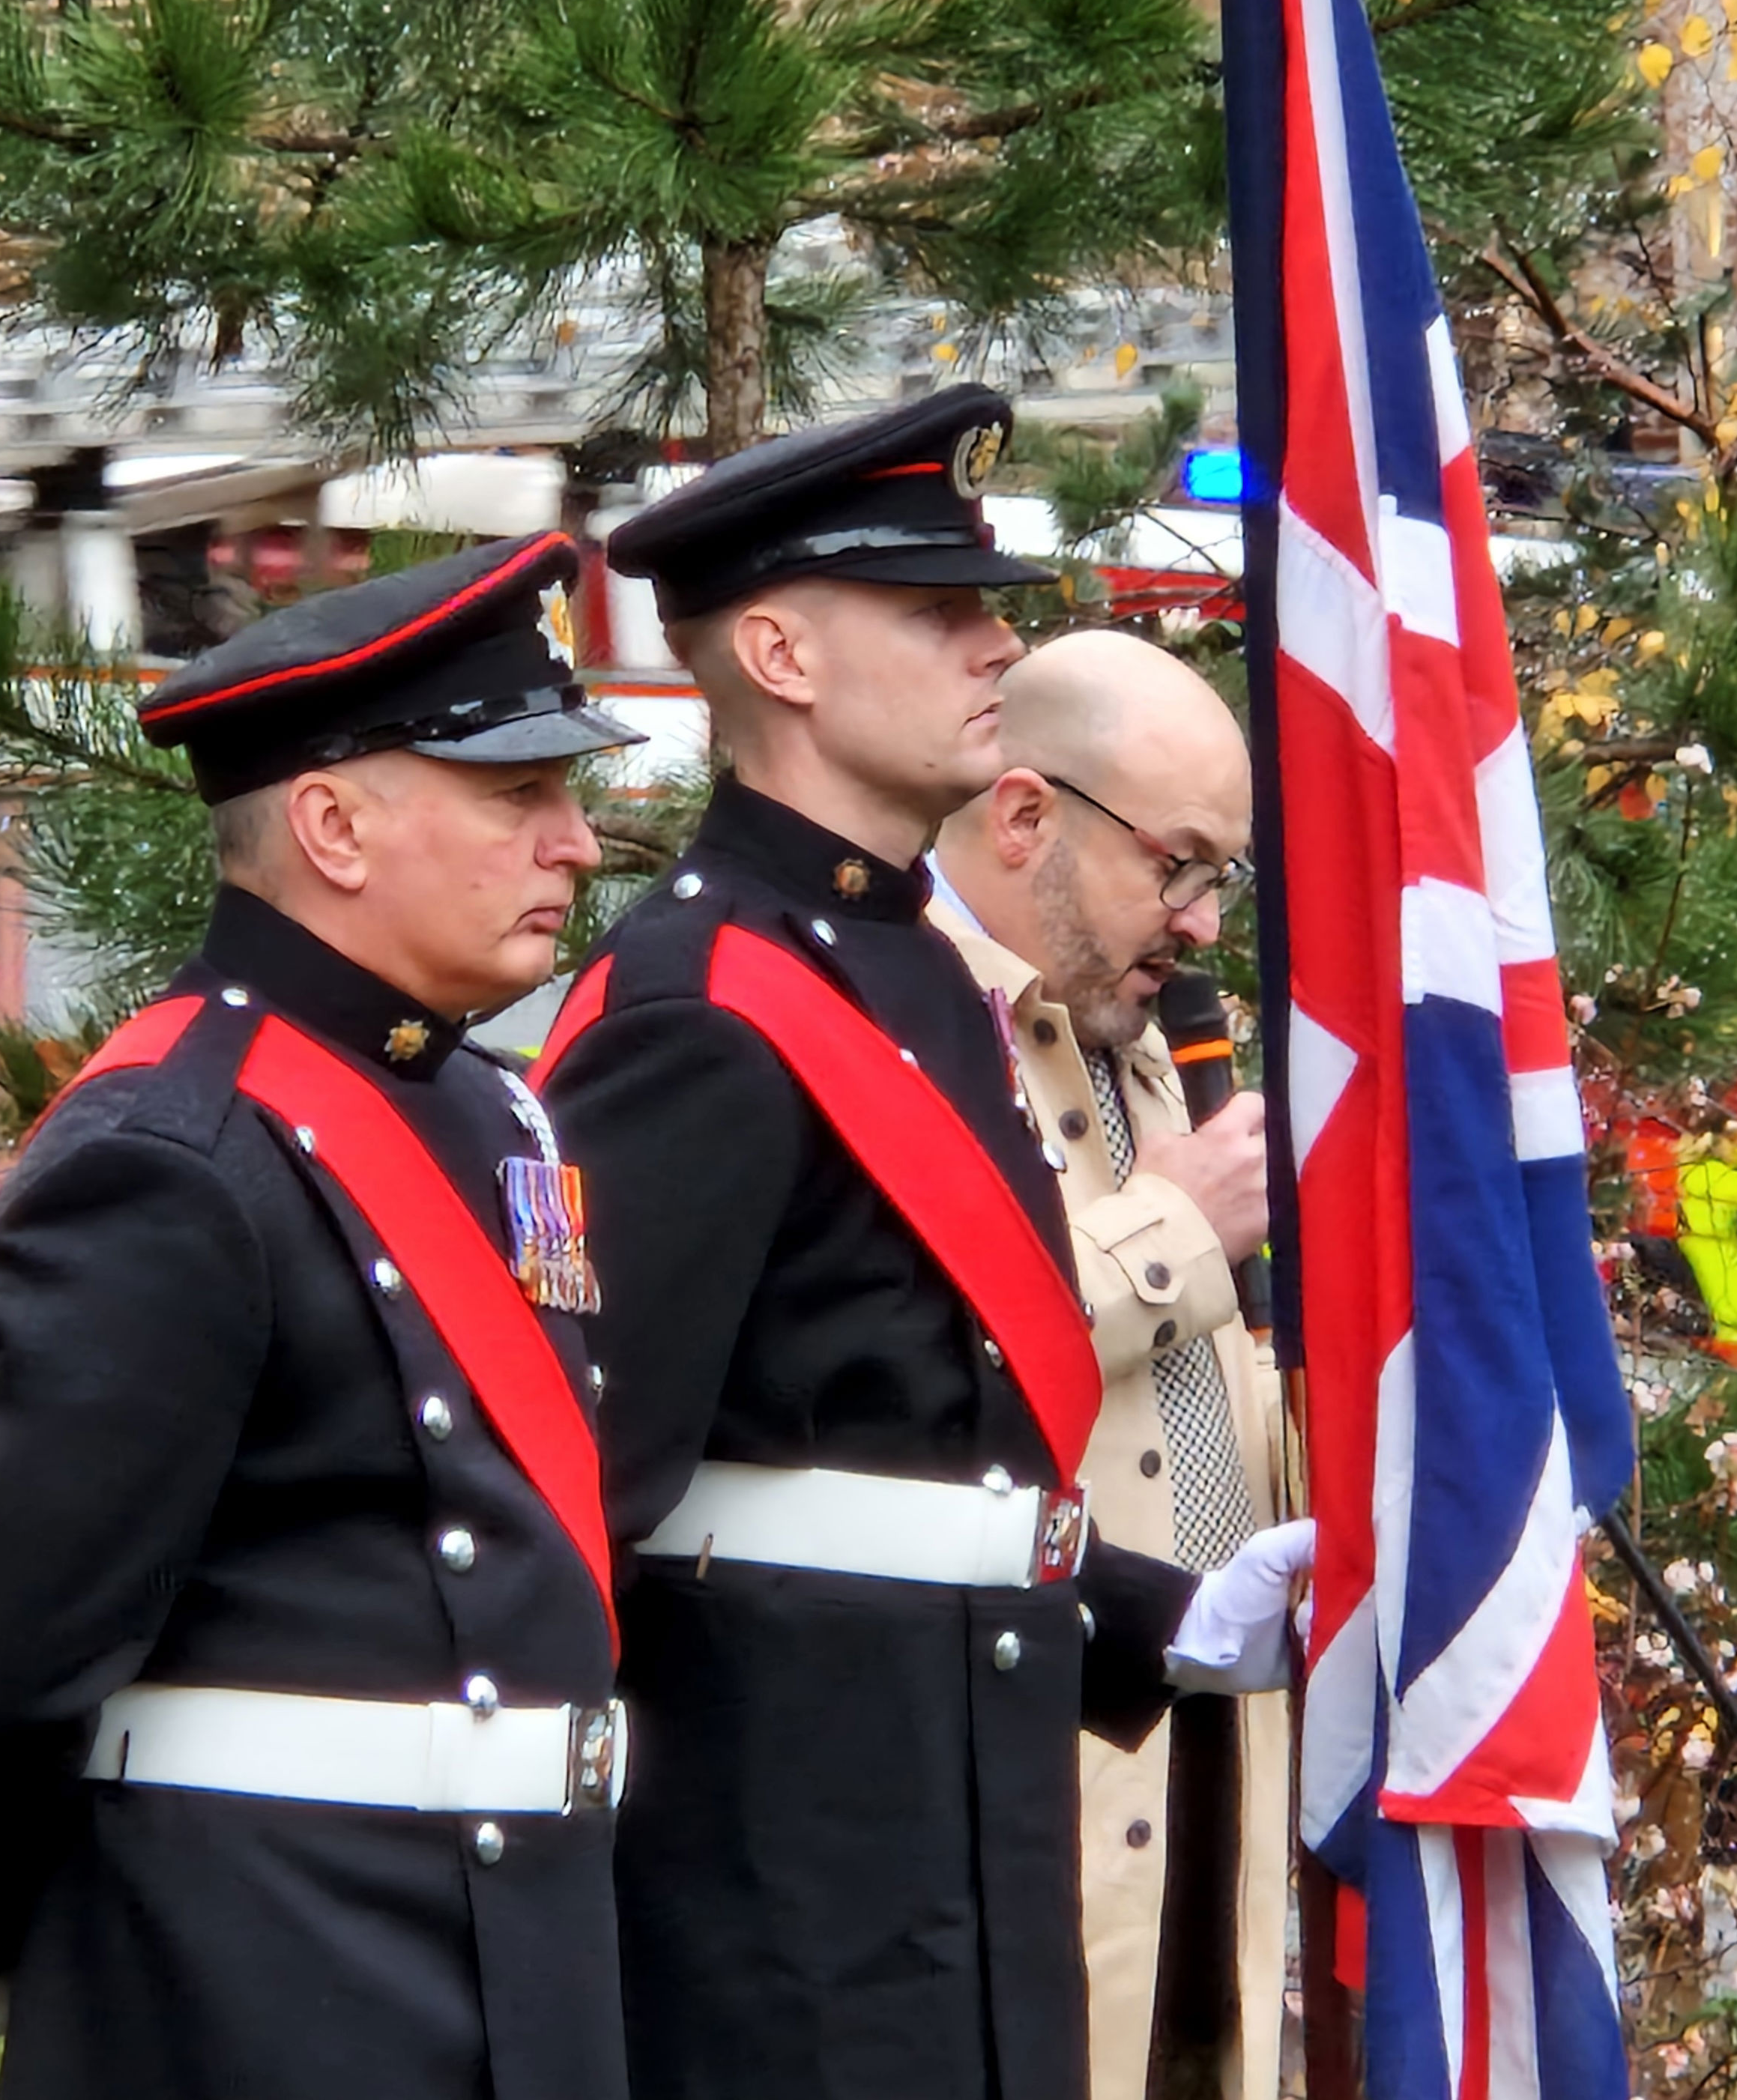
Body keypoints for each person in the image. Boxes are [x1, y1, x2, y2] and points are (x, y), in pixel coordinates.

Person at [536, 390, 1309, 2100]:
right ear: (781, 653)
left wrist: (1163, 1622)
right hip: (784, 1902)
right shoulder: (699, 1004)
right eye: (940, 611)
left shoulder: (912, 990)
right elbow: (582, 1499)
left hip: (970, 1865)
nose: (992, 644)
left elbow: (919, 1468)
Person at [0, 531, 643, 2100]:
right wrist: (61, 1961)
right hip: (257, 1981)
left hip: (515, 1953)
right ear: (334, 823)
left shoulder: (494, 1116)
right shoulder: (172, 1159)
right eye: (517, 795)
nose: (579, 843)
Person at [929, 629, 1287, 2100]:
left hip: (1218, 1770)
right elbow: (927, 1355)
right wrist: (1175, 1231)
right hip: (1048, 1789)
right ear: (1028, 817)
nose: (1203, 924)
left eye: (1224, 880)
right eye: (1179, 865)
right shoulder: (914, 1038)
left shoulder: (1154, 1052)